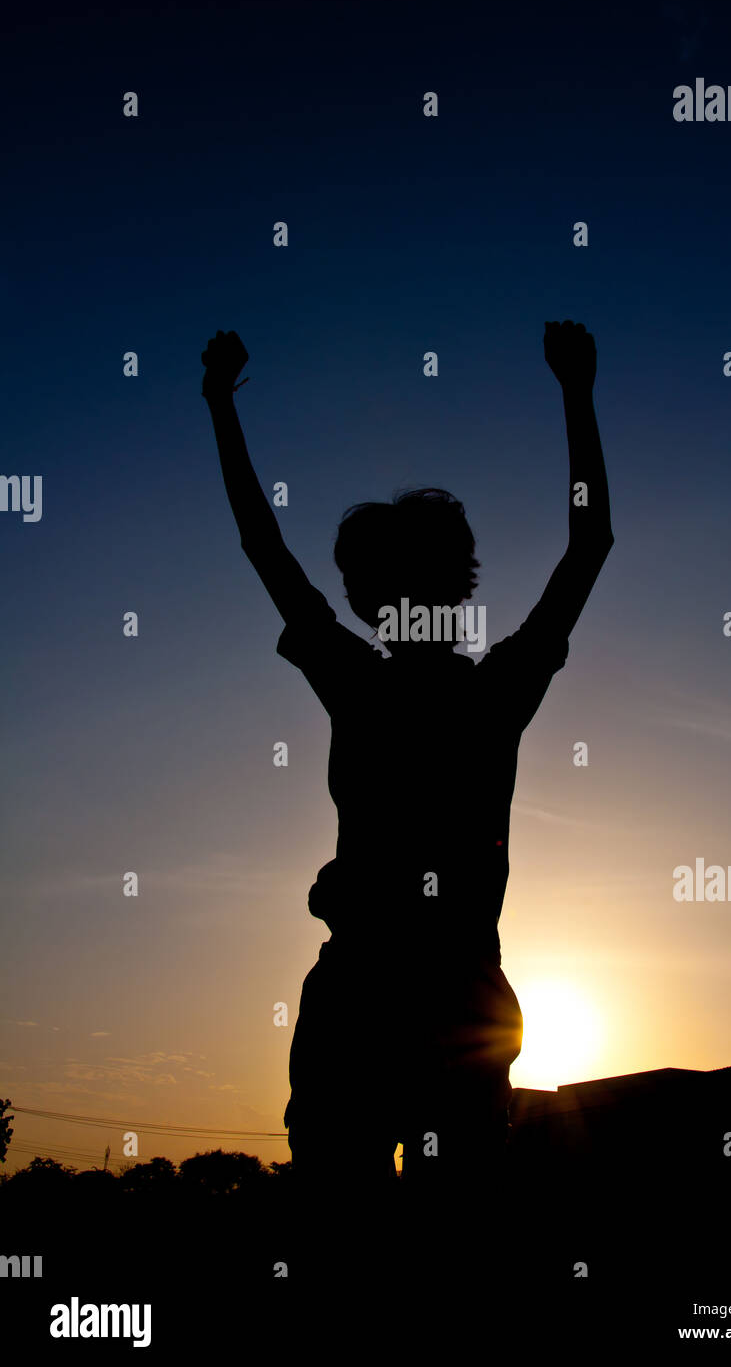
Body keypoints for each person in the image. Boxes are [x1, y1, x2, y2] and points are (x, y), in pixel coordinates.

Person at [201, 321, 613, 1221]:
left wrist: (219, 409)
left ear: (362, 599)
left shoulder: (360, 683)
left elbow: (260, 546)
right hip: (447, 1006)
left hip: (374, 1004)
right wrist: (575, 391)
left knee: (355, 1234)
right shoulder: (491, 690)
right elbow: (590, 545)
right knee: (446, 1243)